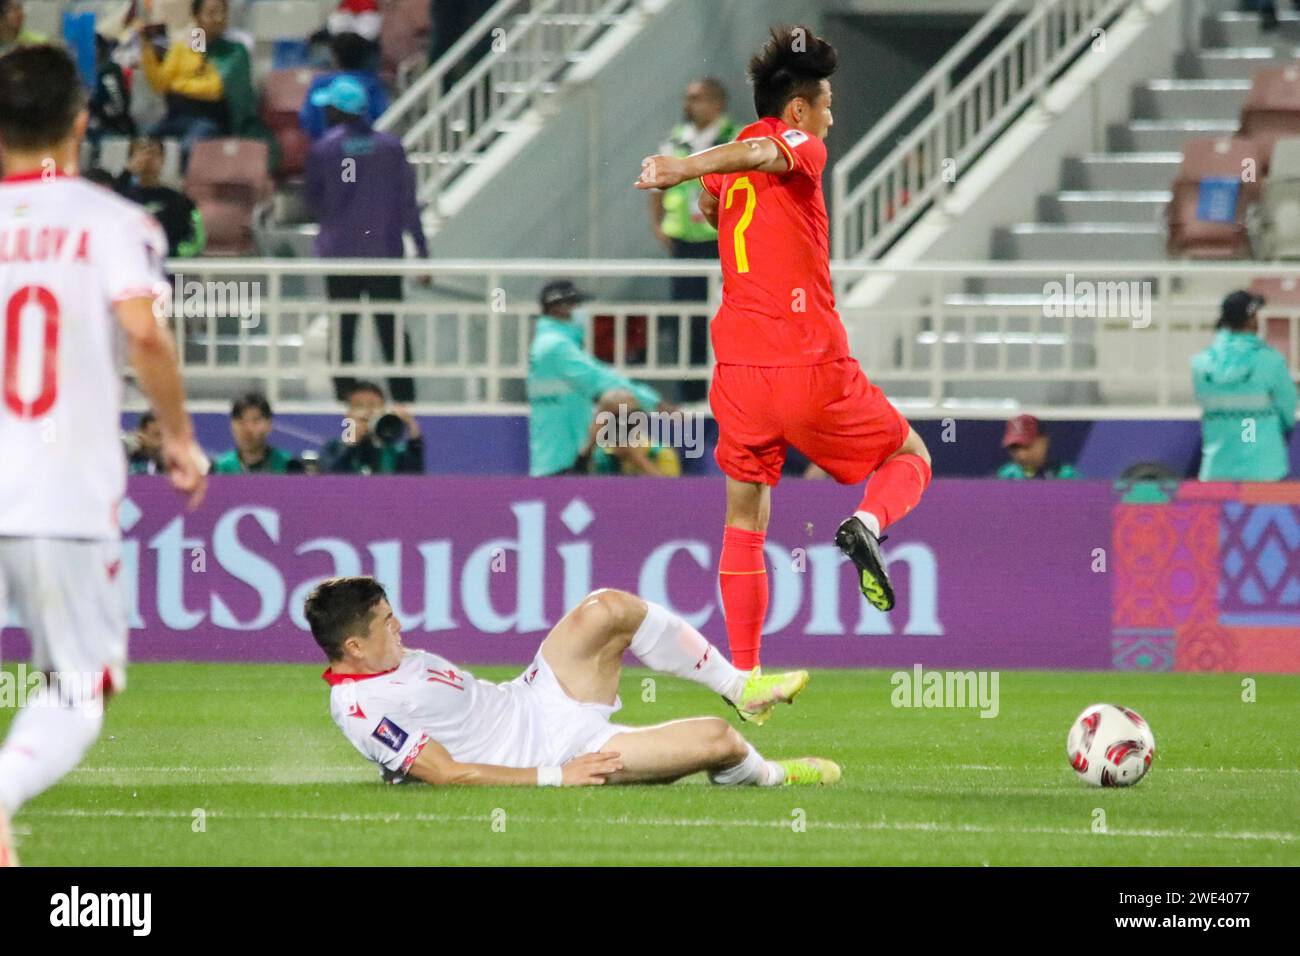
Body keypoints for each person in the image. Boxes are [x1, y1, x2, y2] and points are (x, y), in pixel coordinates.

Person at [635, 26, 933, 672]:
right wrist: (684, 167)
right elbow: (770, 159)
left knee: (744, 515)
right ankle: (868, 526)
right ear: (797, 110)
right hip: (805, 359)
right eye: (825, 102)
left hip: (738, 372)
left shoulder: (737, 151)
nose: (832, 114)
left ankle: (744, 675)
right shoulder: (797, 147)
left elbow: (721, 208)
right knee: (910, 454)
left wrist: (700, 178)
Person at [0, 44, 207, 867]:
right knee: (78, 691)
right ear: (84, 124)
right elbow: (143, 330)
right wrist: (181, 439)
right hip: (57, 495)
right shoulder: (113, 223)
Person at [306, 577, 835, 787]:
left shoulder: (381, 656)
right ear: (354, 647)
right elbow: (446, 773)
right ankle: (765, 777)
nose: (399, 625)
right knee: (718, 740)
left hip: (534, 695)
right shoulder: (360, 707)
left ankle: (742, 687)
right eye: (387, 622)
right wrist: (558, 775)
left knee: (608, 608)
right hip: (555, 750)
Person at [304, 75, 427, 403]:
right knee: (391, 331)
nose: (325, 112)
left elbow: (313, 199)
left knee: (343, 329)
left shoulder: (324, 149)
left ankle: (347, 401)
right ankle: (405, 403)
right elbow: (408, 204)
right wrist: (423, 253)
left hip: (340, 255)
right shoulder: (390, 148)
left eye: (329, 107)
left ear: (338, 111)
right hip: (384, 254)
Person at [526, 279, 665, 477]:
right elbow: (599, 378)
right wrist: (653, 401)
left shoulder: (548, 343)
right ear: (559, 308)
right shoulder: (555, 346)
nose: (581, 312)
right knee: (622, 400)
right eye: (576, 305)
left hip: (555, 457)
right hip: (561, 460)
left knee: (618, 403)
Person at [1192, 290, 1298, 481]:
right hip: (1264, 470)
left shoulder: (1200, 364)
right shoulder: (1270, 360)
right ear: (1250, 320)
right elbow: (1288, 410)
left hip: (1217, 470)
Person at [649, 77, 739, 301]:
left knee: (726, 302)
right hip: (683, 237)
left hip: (723, 234)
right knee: (685, 304)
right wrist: (658, 227)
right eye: (688, 98)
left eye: (696, 98)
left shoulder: (736, 137)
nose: (688, 104)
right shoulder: (675, 140)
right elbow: (657, 189)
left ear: (717, 103)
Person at [116, 136, 205, 257]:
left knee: (181, 276)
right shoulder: (120, 199)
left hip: (173, 269)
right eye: (141, 154)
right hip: (131, 267)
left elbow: (195, 241)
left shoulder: (179, 201)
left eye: (154, 154)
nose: (148, 159)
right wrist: (127, 172)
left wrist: (170, 254)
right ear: (131, 160)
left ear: (163, 159)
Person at [299, 31, 389, 141]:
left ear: (334, 56)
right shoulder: (372, 84)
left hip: (327, 149)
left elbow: (308, 121)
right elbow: (382, 119)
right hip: (366, 149)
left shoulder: (320, 84)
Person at [319, 380, 424, 474]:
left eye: (373, 405)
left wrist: (411, 424)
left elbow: (414, 476)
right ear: (348, 414)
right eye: (359, 406)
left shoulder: (395, 451)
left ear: (384, 410)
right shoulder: (334, 448)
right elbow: (329, 477)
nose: (367, 412)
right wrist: (350, 443)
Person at [211, 392, 294, 474]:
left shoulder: (289, 465)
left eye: (255, 421)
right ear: (232, 426)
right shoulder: (218, 468)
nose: (248, 429)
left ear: (269, 425)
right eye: (241, 421)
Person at [996, 414, 1079, 479]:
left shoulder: (1066, 476)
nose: (1021, 455)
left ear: (1043, 442)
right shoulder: (1005, 477)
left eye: (1026, 446)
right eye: (1014, 448)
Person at [124, 409, 167, 474]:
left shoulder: (173, 464)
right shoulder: (128, 460)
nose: (163, 440)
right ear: (142, 435)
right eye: (157, 435)